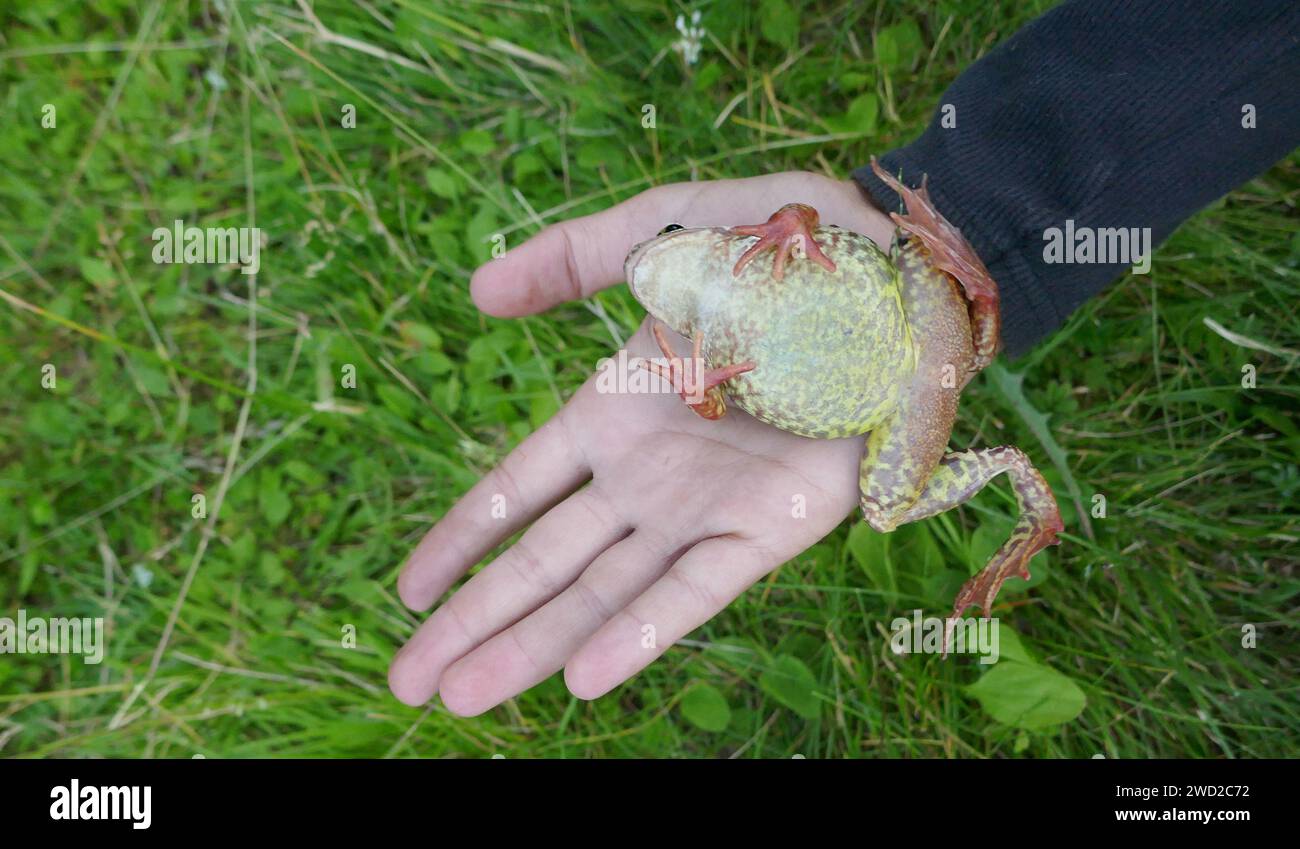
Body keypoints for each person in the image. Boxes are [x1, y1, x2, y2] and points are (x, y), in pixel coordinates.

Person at [388, 0, 1300, 713]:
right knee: (886, 496)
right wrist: (779, 268)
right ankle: (1010, 474)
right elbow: (790, 244)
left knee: (885, 505)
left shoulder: (728, 288)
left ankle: (1009, 471)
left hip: (894, 354)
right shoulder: (734, 280)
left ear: (705, 241)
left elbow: (791, 239)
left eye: (675, 237)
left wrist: (750, 298)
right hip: (898, 351)